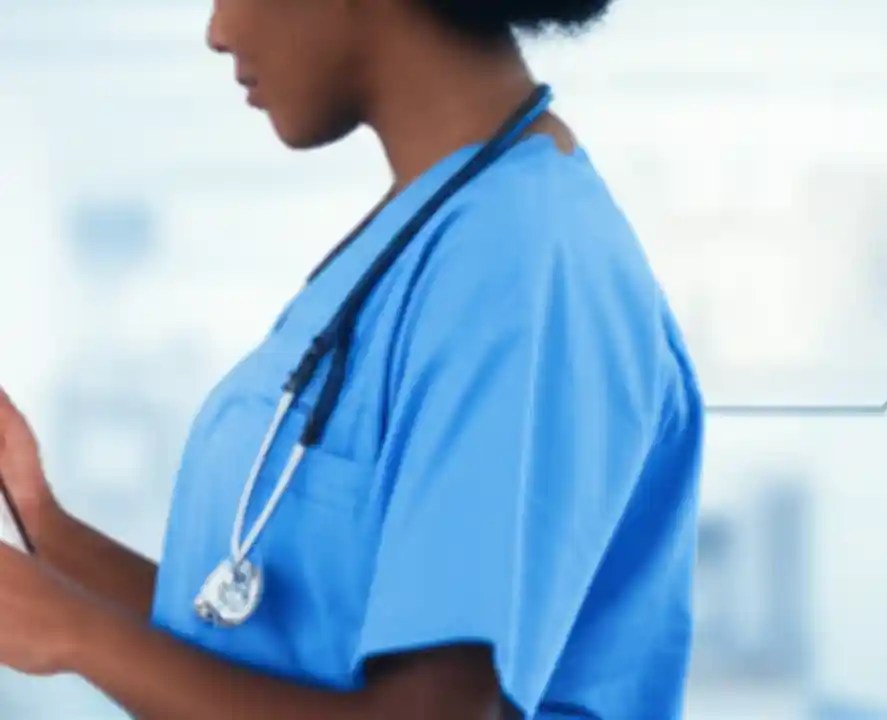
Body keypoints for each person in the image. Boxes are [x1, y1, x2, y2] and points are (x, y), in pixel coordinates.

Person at [0, 0, 704, 717]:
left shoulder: (522, 258)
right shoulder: (435, 229)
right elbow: (259, 647)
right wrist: (39, 521)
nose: (218, 32)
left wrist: (73, 634)